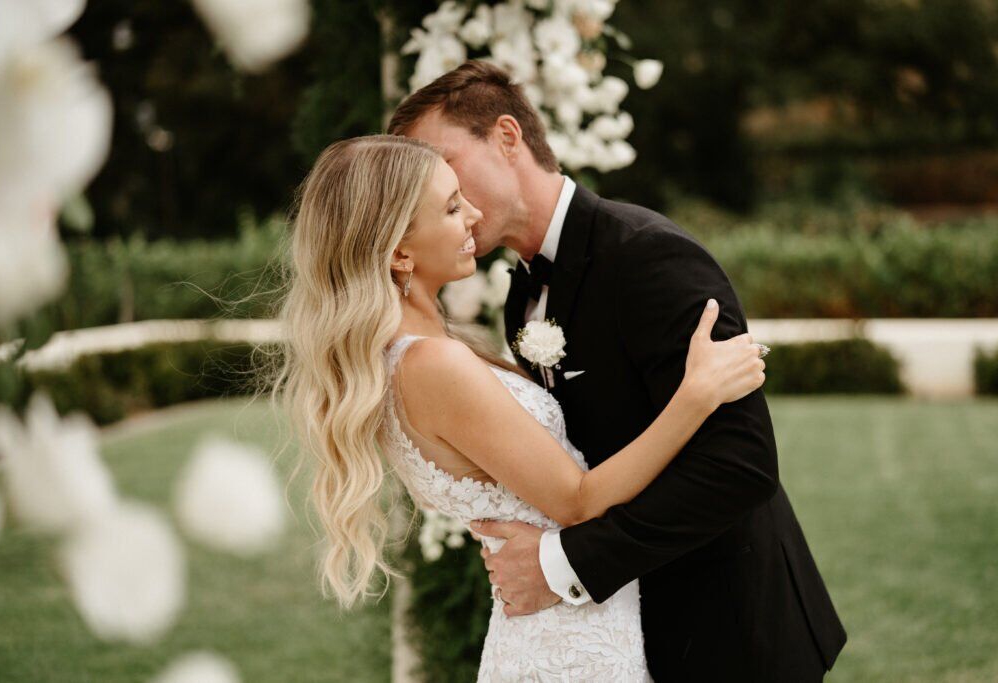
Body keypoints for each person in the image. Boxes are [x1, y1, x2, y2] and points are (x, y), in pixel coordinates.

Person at [387, 59, 847, 681]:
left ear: (507, 137)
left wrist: (566, 563)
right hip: (620, 631)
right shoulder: (521, 295)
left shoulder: (648, 255)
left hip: (725, 626)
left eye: (445, 164)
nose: (448, 193)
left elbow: (741, 463)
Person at [275, 132, 765, 680]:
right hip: (568, 641)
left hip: (564, 619)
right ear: (399, 253)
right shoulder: (434, 365)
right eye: (452, 207)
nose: (473, 215)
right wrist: (695, 395)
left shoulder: (402, 358)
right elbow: (577, 500)